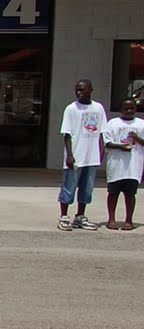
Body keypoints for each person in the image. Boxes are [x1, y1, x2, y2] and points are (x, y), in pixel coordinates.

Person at [57, 78, 106, 230]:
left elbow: (101, 132)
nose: (78, 92)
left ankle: (80, 216)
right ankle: (64, 216)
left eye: (82, 89)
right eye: (77, 89)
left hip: (91, 156)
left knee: (87, 188)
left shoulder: (98, 108)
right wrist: (69, 155)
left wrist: (101, 151)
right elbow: (66, 134)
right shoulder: (71, 109)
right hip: (76, 156)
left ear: (90, 90)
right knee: (69, 187)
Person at [102, 97, 143, 229]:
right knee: (113, 193)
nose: (129, 111)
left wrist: (136, 138)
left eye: (132, 108)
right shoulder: (113, 123)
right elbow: (107, 143)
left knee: (130, 194)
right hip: (116, 165)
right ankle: (111, 219)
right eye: (126, 108)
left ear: (136, 109)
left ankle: (129, 221)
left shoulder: (141, 124)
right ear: (121, 110)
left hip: (133, 166)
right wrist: (121, 147)